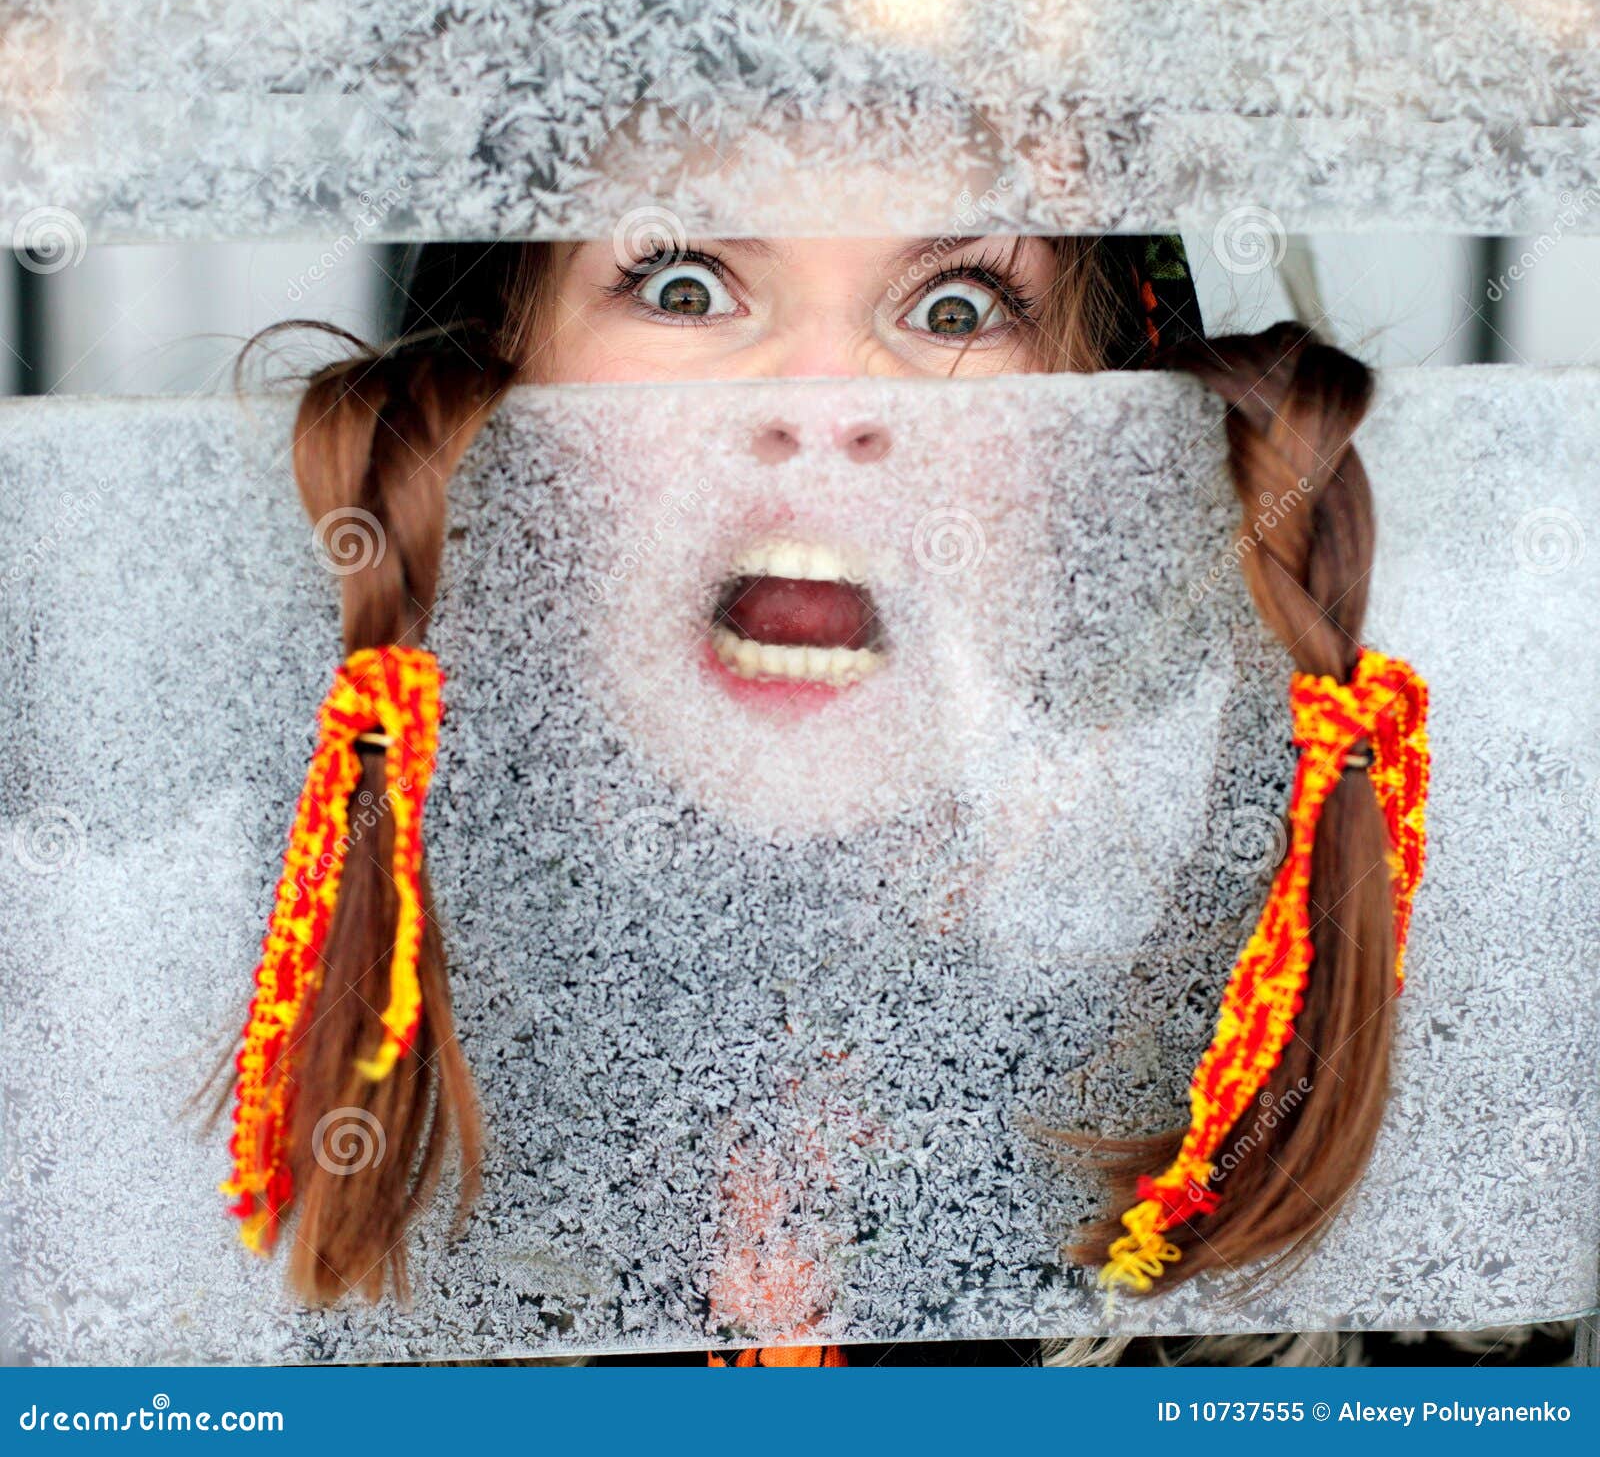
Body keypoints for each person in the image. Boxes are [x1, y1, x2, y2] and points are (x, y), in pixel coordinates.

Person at [224, 229, 1418, 1365]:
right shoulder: (198, 984)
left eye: (957, 308)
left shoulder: (1345, 1081)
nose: (825, 405)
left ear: (1100, 472)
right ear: (484, 399)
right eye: (682, 285)